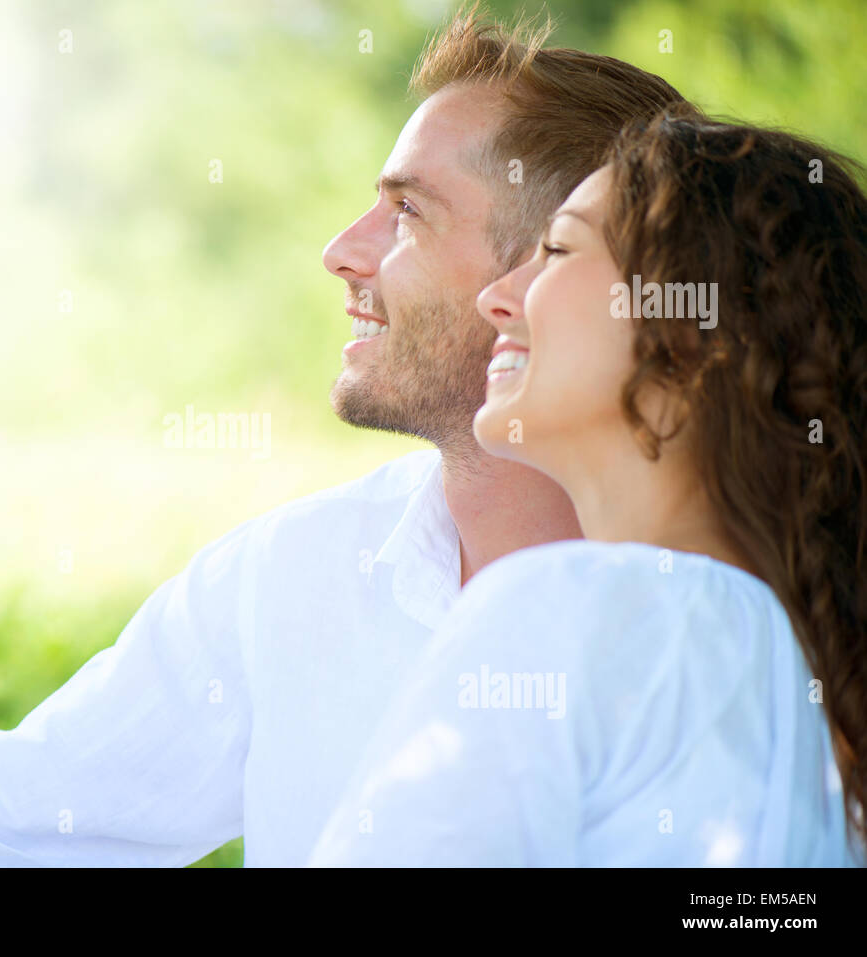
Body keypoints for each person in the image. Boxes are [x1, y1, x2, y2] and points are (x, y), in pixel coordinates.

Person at [0, 9, 687, 867]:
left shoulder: (761, 606)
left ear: (550, 272)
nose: (341, 251)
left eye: (408, 211)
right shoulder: (296, 573)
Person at [308, 106, 867, 866]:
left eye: (559, 250)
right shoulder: (812, 682)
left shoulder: (573, 604)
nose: (497, 297)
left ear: (695, 338)